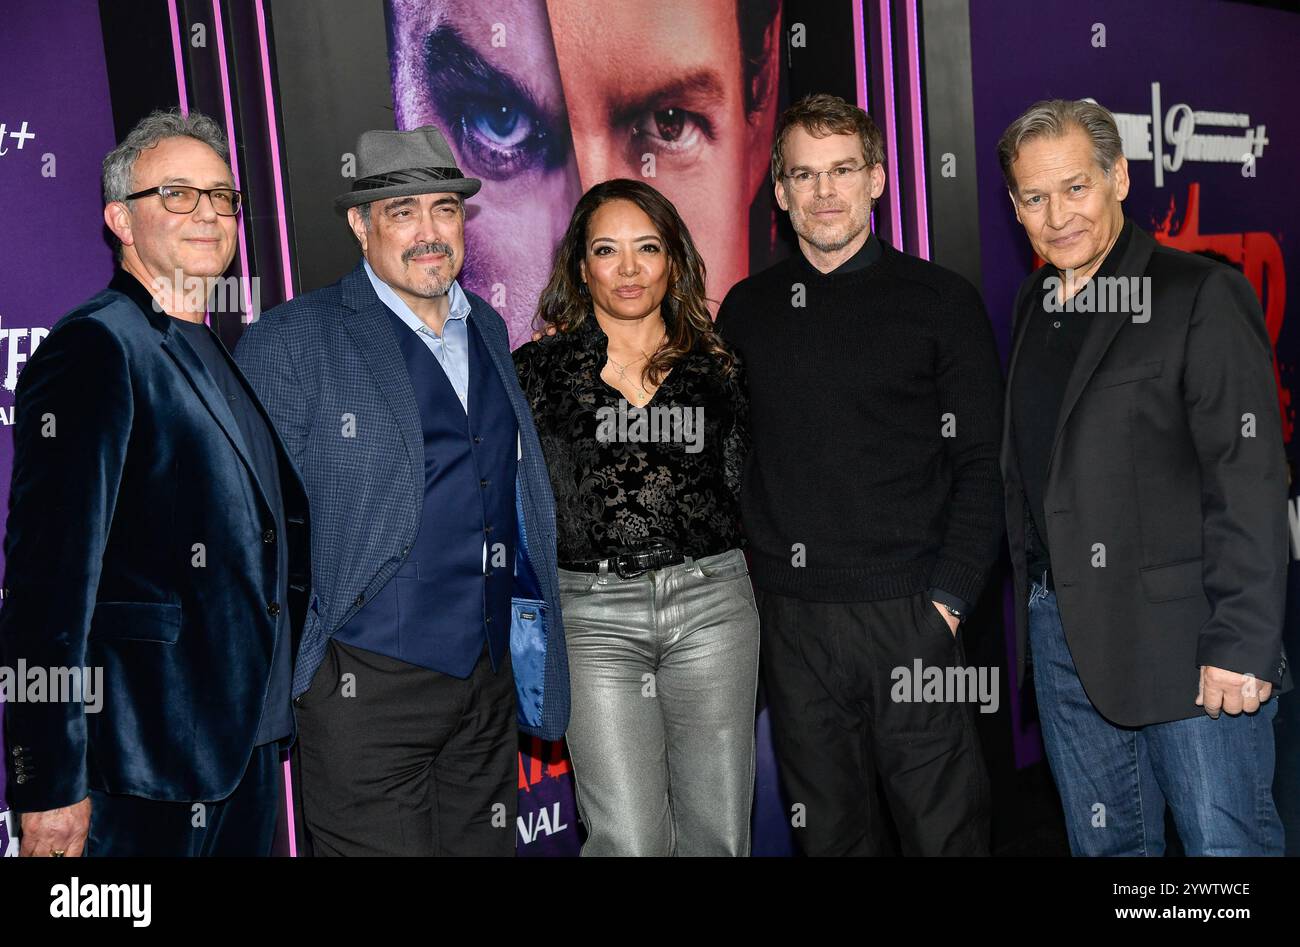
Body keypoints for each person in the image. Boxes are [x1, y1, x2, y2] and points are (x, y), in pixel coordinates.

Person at [235, 125, 568, 856]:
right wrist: (308, 673)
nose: (429, 232)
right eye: (402, 211)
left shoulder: (483, 323)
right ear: (360, 225)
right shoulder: (292, 340)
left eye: (444, 209)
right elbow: (253, 533)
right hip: (363, 691)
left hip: (484, 685)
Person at [0, 109, 309, 857]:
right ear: (120, 220)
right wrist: (47, 780)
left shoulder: (209, 343)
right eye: (176, 194)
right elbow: (47, 586)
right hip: (143, 771)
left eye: (222, 196)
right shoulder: (97, 346)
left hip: (243, 752)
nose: (207, 213)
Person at [998, 98, 1289, 855]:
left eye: (1075, 187)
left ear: (1119, 178)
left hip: (1189, 644)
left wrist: (1241, 641)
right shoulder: (1034, 301)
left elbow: (1249, 476)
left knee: (1224, 850)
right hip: (1062, 637)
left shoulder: (1198, 293)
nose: (1057, 215)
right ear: (1015, 206)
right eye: (1035, 197)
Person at [717, 93, 1004, 856]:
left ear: (877, 178)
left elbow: (983, 464)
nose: (824, 192)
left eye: (843, 169)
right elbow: (726, 457)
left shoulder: (941, 302)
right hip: (796, 623)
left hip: (913, 611)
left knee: (947, 836)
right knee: (831, 840)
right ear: (778, 192)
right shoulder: (745, 313)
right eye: (804, 175)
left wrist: (946, 603)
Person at [514, 178, 756, 855]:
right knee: (628, 838)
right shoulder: (535, 372)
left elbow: (742, 489)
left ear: (673, 259)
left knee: (719, 836)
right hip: (591, 618)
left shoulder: (719, 369)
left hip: (714, 607)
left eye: (646, 248)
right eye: (606, 250)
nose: (628, 269)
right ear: (579, 266)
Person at [386, 0, 782, 346]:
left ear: (759, 122)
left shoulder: (736, 392)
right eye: (501, 122)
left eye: (669, 123)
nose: (601, 269)